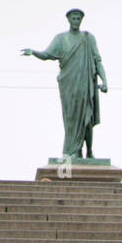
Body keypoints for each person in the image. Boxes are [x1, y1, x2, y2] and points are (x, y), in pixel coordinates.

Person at [21, 9, 107, 159]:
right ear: (68, 19)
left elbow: (97, 60)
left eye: (78, 18)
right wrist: (34, 52)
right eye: (73, 18)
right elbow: (47, 54)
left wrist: (104, 80)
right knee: (71, 119)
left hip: (85, 84)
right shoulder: (61, 39)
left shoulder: (88, 38)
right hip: (68, 85)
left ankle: (89, 151)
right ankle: (74, 150)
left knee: (87, 117)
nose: (76, 20)